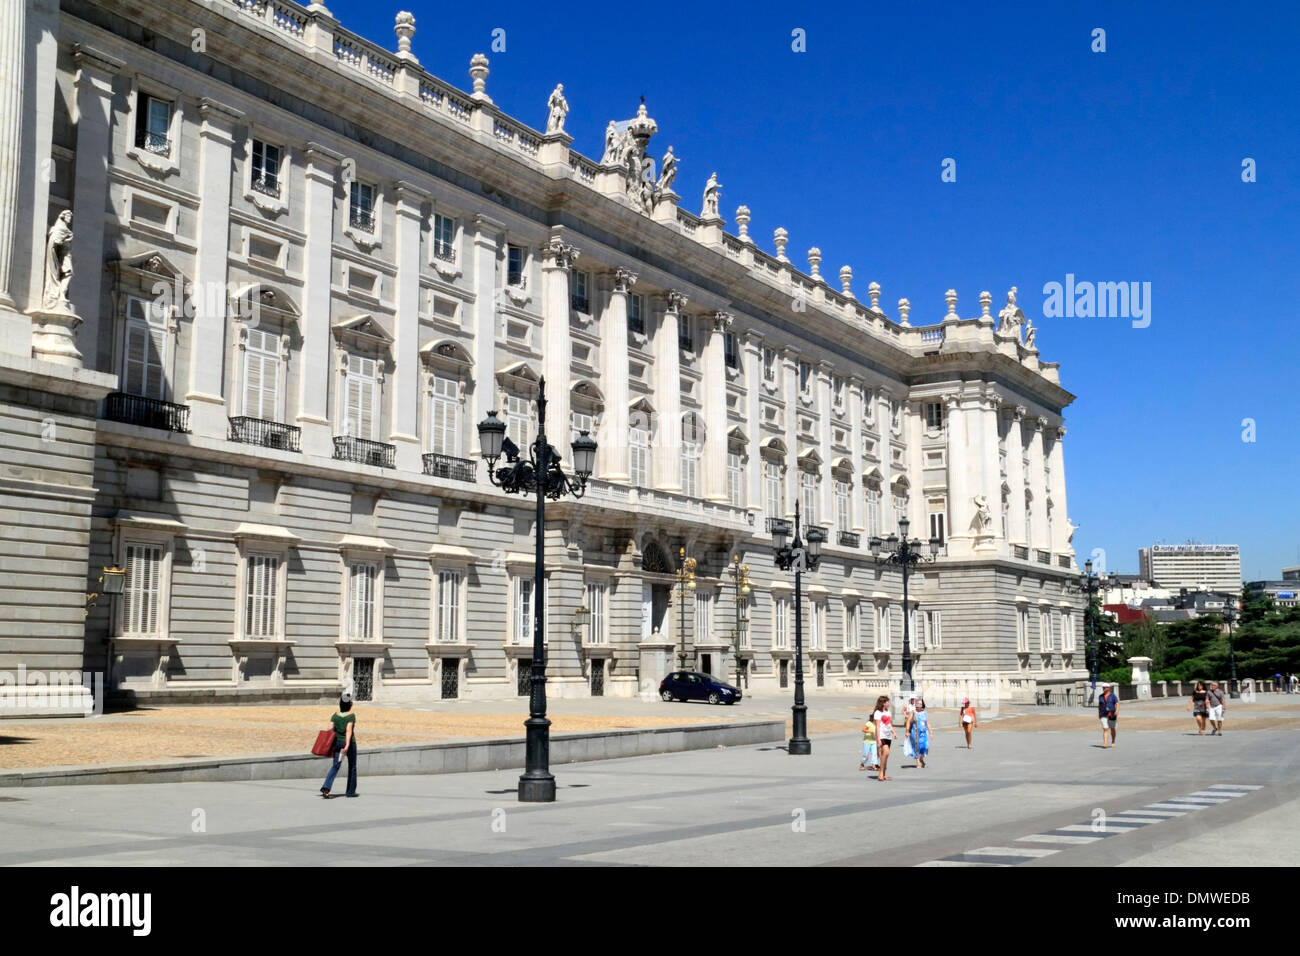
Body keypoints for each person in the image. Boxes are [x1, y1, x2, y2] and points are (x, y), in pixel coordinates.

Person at [321, 692, 358, 798]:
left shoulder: (335, 716)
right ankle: (350, 792)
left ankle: (326, 788)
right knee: (352, 766)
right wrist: (346, 746)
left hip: (337, 743)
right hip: (349, 744)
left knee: (336, 766)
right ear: (349, 704)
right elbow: (348, 731)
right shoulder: (351, 716)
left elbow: (329, 729)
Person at [872, 695, 895, 781]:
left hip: (888, 736)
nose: (888, 703)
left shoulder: (888, 712)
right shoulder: (878, 713)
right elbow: (877, 726)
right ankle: (881, 773)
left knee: (885, 755)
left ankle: (883, 773)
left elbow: (889, 724)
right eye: (887, 702)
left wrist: (894, 732)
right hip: (881, 735)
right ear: (883, 703)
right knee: (886, 752)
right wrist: (878, 739)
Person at [1098, 683, 1118, 748]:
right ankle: (1105, 743)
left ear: (1108, 688)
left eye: (1105, 687)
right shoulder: (1100, 696)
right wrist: (1099, 713)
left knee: (1112, 728)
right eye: (1103, 687)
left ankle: (1113, 741)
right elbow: (1099, 706)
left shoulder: (1113, 696)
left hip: (1111, 714)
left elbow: (1117, 704)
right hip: (1103, 714)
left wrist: (1116, 711)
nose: (1104, 688)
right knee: (1105, 728)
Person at [913, 697, 931, 768]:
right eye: (917, 704)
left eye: (920, 704)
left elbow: (927, 723)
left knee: (925, 747)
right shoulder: (913, 712)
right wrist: (907, 731)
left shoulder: (925, 713)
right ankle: (918, 762)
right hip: (916, 732)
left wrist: (931, 732)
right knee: (917, 747)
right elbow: (908, 722)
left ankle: (921, 758)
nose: (919, 705)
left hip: (924, 733)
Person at [901, 693, 918, 761]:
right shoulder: (907, 705)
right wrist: (906, 715)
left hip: (914, 721)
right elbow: (902, 710)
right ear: (910, 699)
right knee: (908, 730)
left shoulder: (916, 706)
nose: (913, 700)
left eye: (914, 699)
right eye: (912, 699)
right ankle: (907, 742)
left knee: (914, 731)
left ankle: (913, 742)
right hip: (909, 720)